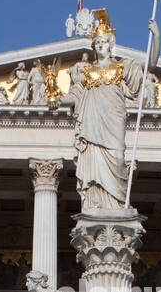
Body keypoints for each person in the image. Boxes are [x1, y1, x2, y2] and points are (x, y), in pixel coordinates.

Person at [58, 15, 145, 210]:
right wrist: (57, 100)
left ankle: (117, 204)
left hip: (113, 119)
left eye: (103, 42)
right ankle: (96, 203)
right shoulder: (87, 72)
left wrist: (155, 38)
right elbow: (76, 94)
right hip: (92, 123)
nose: (99, 46)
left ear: (111, 44)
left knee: (118, 158)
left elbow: (151, 65)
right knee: (94, 162)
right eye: (96, 43)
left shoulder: (122, 67)